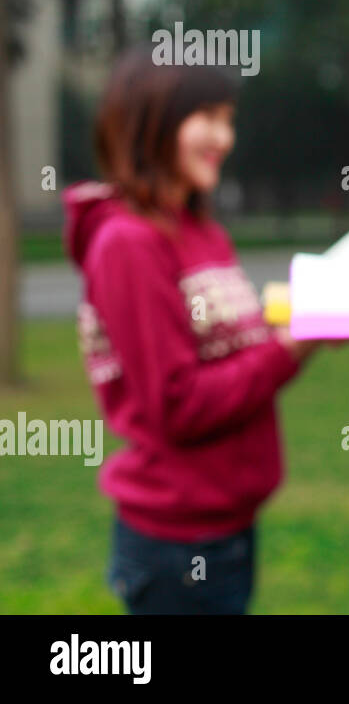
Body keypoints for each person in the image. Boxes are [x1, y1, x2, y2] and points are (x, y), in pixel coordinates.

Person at [64, 50, 317, 614]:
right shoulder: (128, 243)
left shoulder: (201, 230)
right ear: (149, 123)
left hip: (228, 526)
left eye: (228, 118)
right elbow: (177, 403)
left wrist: (303, 321)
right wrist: (288, 349)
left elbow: (230, 355)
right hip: (175, 545)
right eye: (205, 116)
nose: (224, 137)